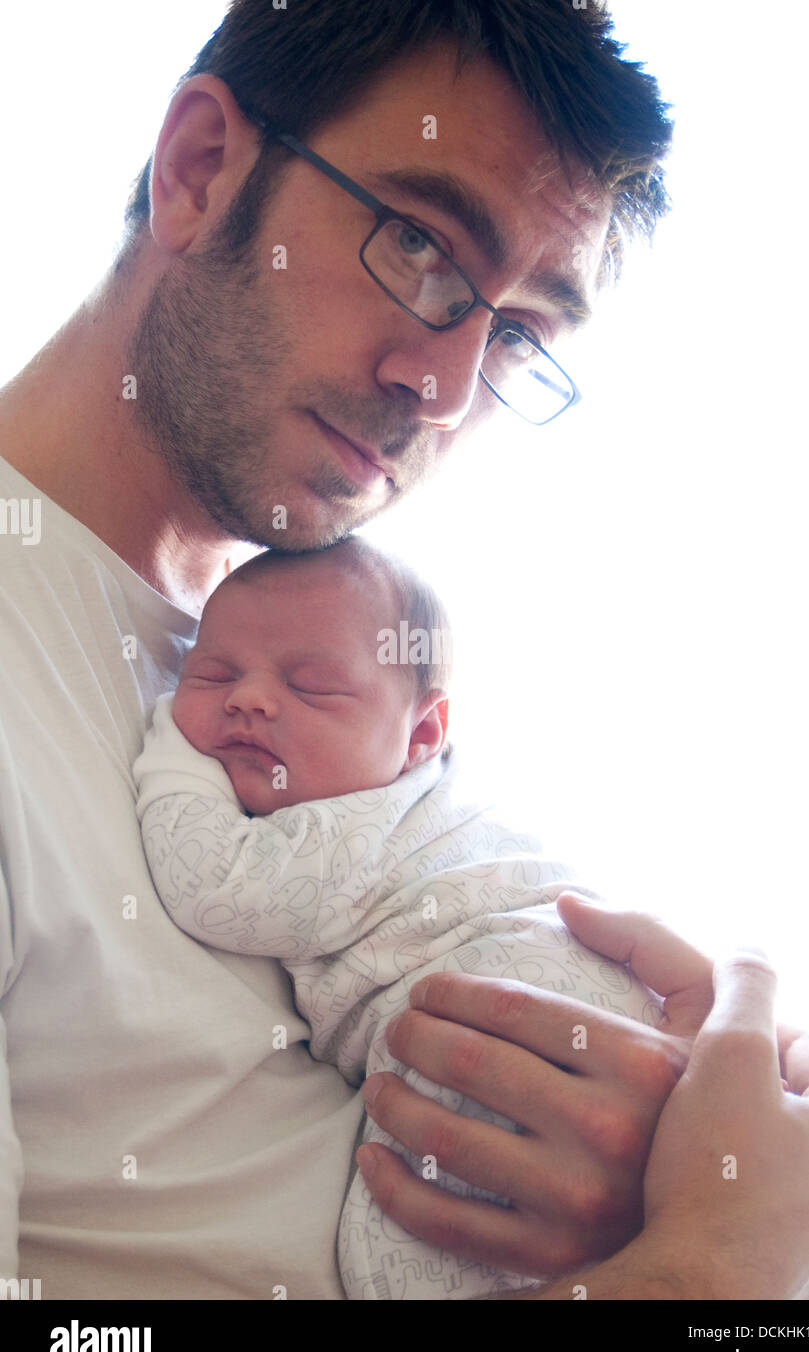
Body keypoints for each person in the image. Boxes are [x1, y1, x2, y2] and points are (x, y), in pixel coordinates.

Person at [0, 0, 809, 1300]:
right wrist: (720, 1277)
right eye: (418, 246)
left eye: (516, 335)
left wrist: (672, 1136)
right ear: (199, 171)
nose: (448, 387)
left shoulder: (307, 680)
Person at [133, 538, 665, 1299]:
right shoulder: (427, 797)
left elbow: (217, 885)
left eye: (312, 688)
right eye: (211, 674)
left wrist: (173, 752)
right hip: (591, 1008)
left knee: (398, 1251)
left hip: (518, 1001)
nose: (247, 698)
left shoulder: (357, 821)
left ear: (420, 737)